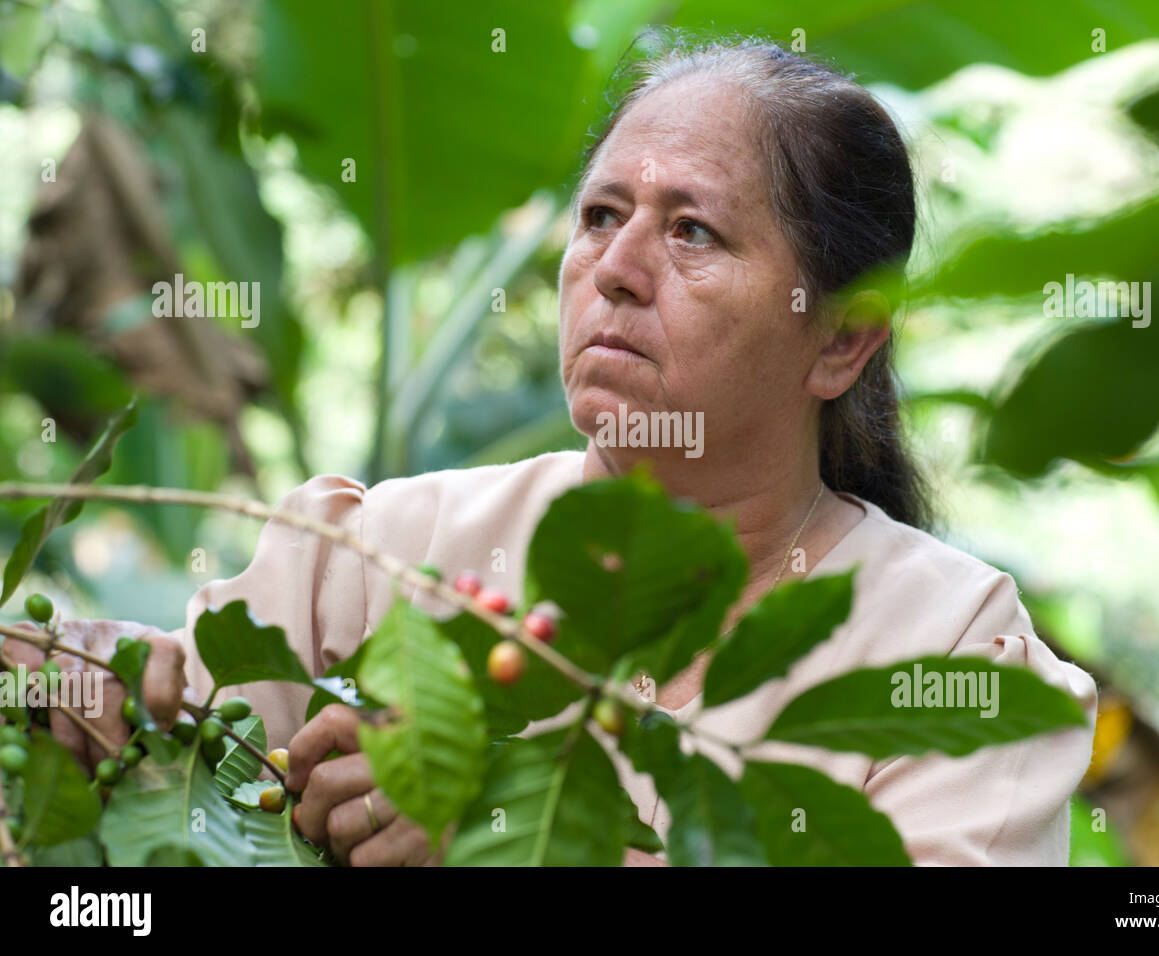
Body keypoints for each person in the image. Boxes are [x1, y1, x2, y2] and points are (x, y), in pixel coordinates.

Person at [9, 36, 1097, 866]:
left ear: (841, 338)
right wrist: (79, 683)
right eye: (599, 216)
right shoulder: (379, 551)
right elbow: (164, 723)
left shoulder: (950, 653)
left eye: (692, 232)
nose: (616, 268)